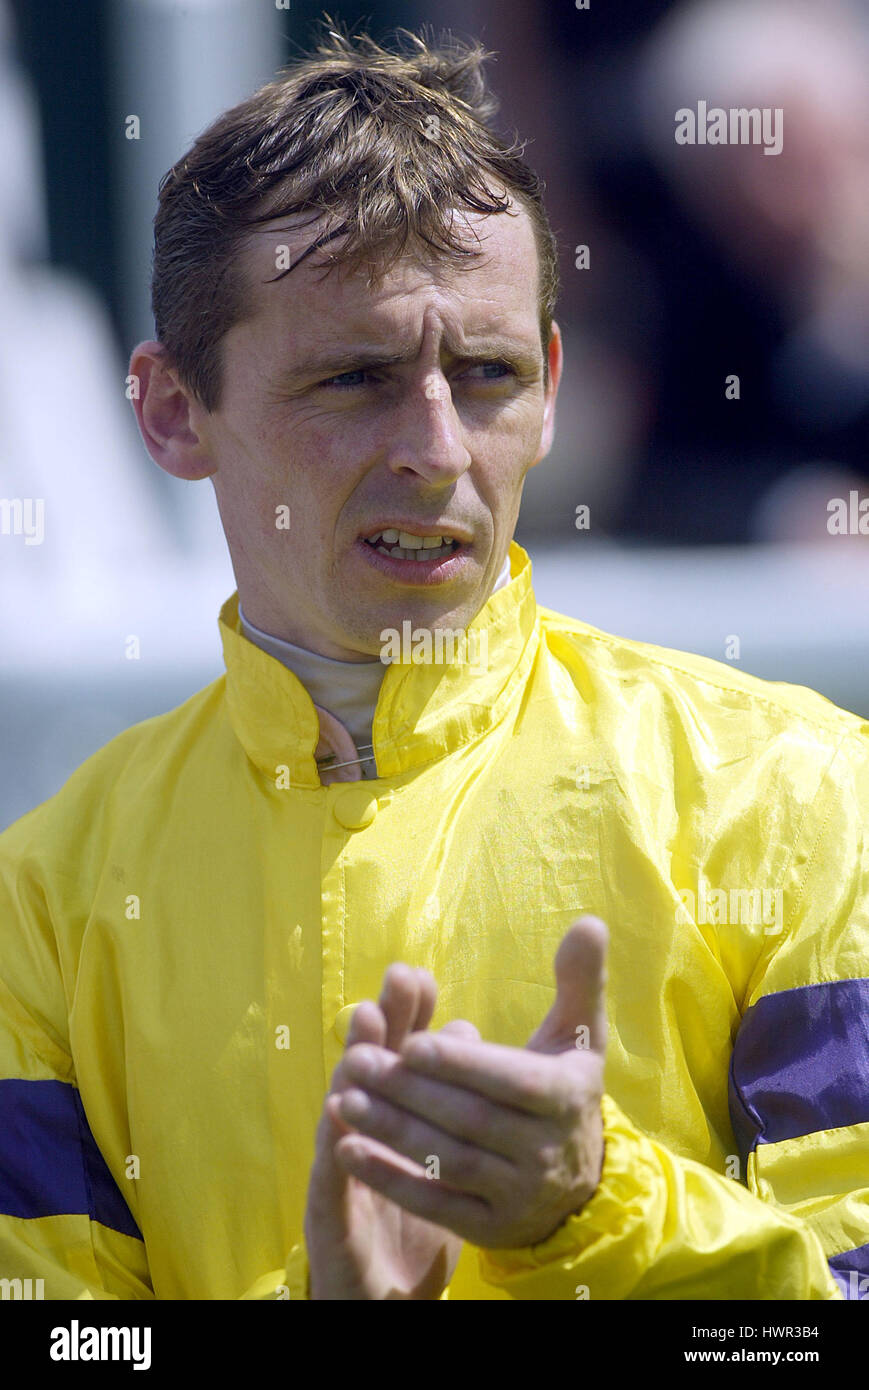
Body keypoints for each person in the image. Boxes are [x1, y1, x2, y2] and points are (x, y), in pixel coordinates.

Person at [0, 26, 866, 1302]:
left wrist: (594, 1211)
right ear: (173, 410)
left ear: (553, 388)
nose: (437, 448)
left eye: (487, 374)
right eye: (354, 378)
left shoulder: (797, 789)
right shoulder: (46, 895)